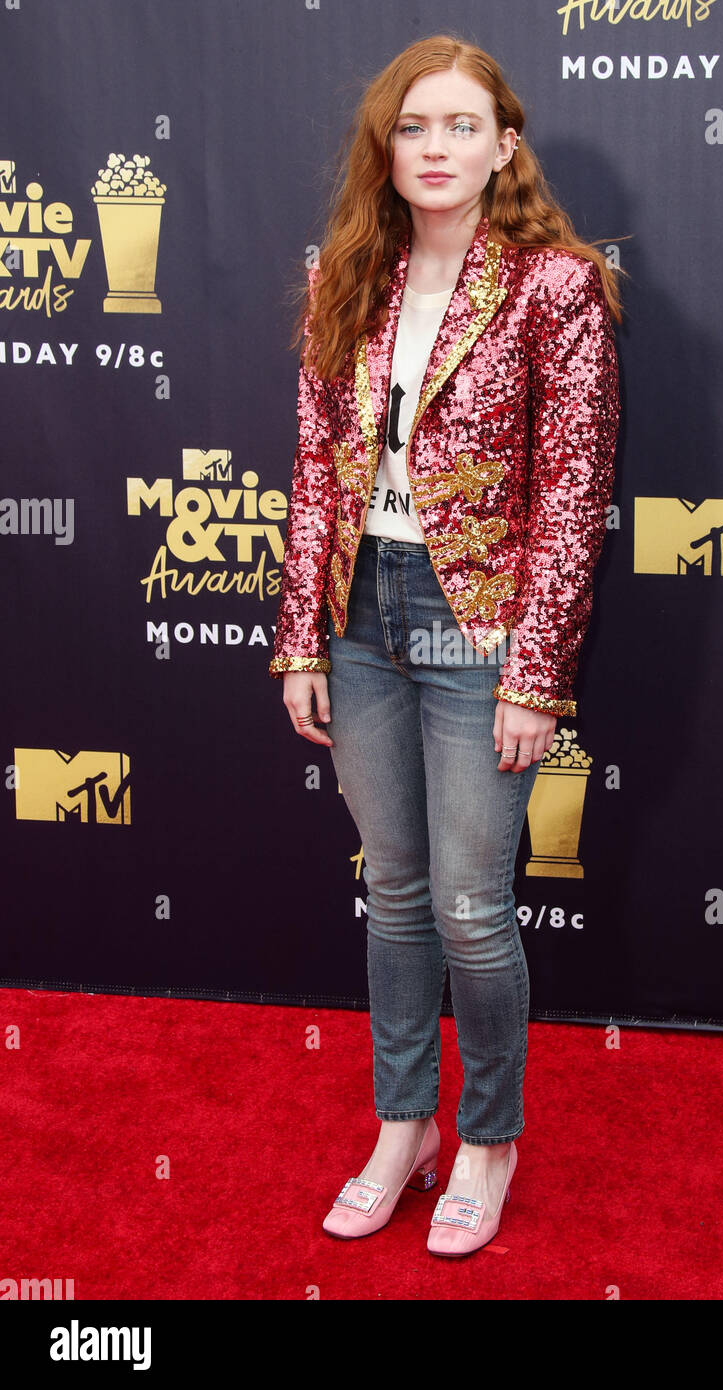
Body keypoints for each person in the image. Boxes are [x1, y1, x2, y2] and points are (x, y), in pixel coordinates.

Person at [270, 34, 622, 1256]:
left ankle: (488, 1136)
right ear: (387, 143)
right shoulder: (344, 278)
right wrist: (300, 637)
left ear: (503, 145)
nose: (436, 148)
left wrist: (536, 671)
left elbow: (576, 489)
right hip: (359, 608)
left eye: (462, 126)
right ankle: (401, 1123)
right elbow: (316, 464)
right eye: (414, 126)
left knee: (474, 905)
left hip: (484, 625)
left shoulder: (554, 286)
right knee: (397, 897)